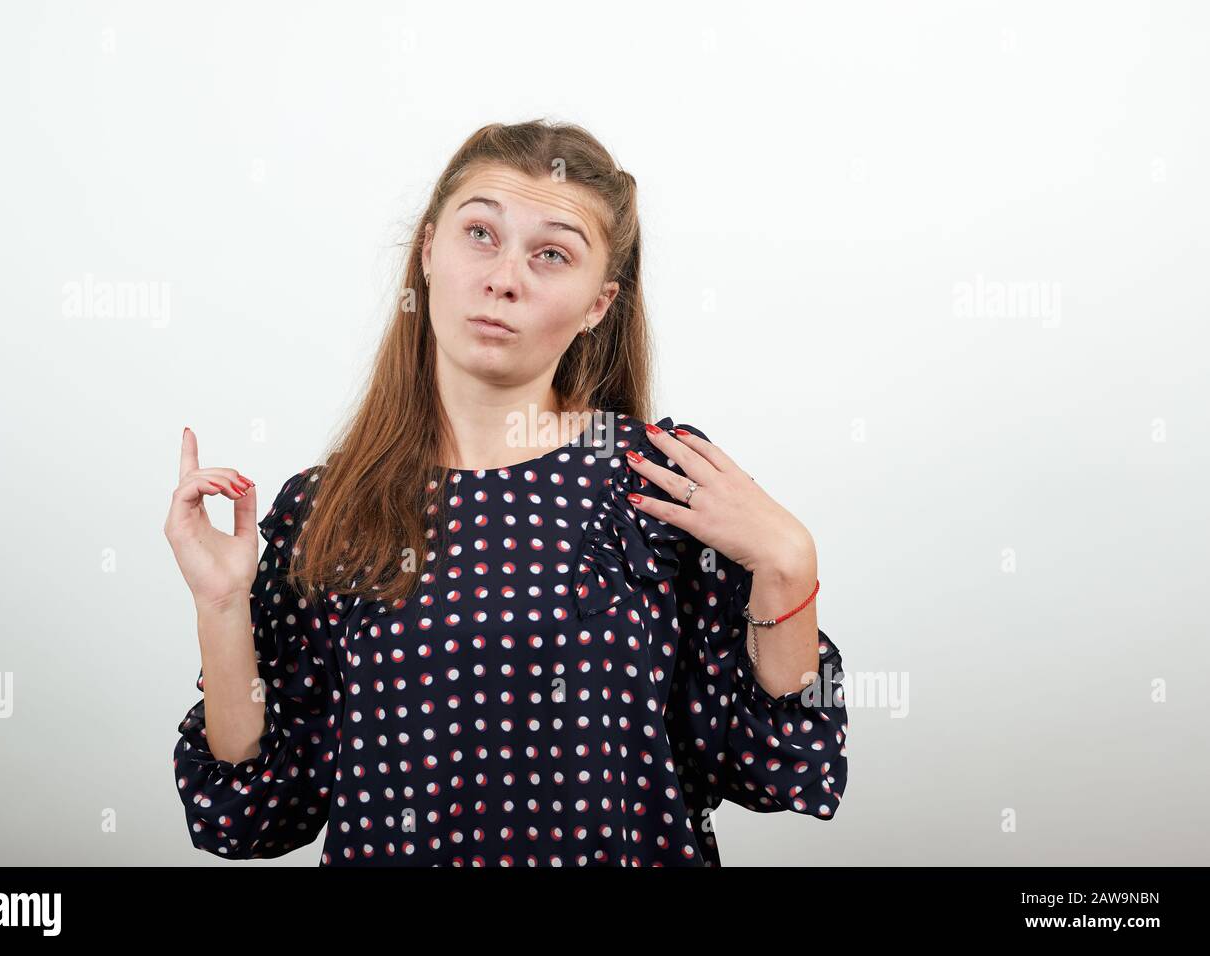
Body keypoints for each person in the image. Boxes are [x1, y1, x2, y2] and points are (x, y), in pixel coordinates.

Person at [164, 119, 848, 866]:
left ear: (599, 304)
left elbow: (775, 768)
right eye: (481, 234)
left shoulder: (659, 483)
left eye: (552, 254)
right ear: (428, 252)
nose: (504, 278)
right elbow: (253, 815)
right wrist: (223, 608)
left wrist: (789, 565)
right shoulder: (328, 508)